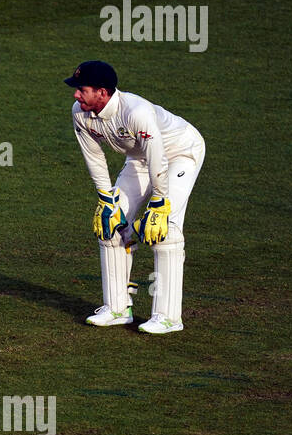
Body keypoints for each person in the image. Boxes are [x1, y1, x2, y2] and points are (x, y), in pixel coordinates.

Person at [65, 60, 206, 333]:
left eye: (82, 89)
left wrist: (160, 202)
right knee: (109, 224)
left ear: (102, 92)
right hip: (140, 159)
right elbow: (94, 158)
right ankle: (117, 308)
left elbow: (159, 159)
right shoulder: (80, 113)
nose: (76, 95)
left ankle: (168, 317)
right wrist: (106, 199)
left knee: (163, 229)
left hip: (180, 154)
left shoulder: (136, 112)